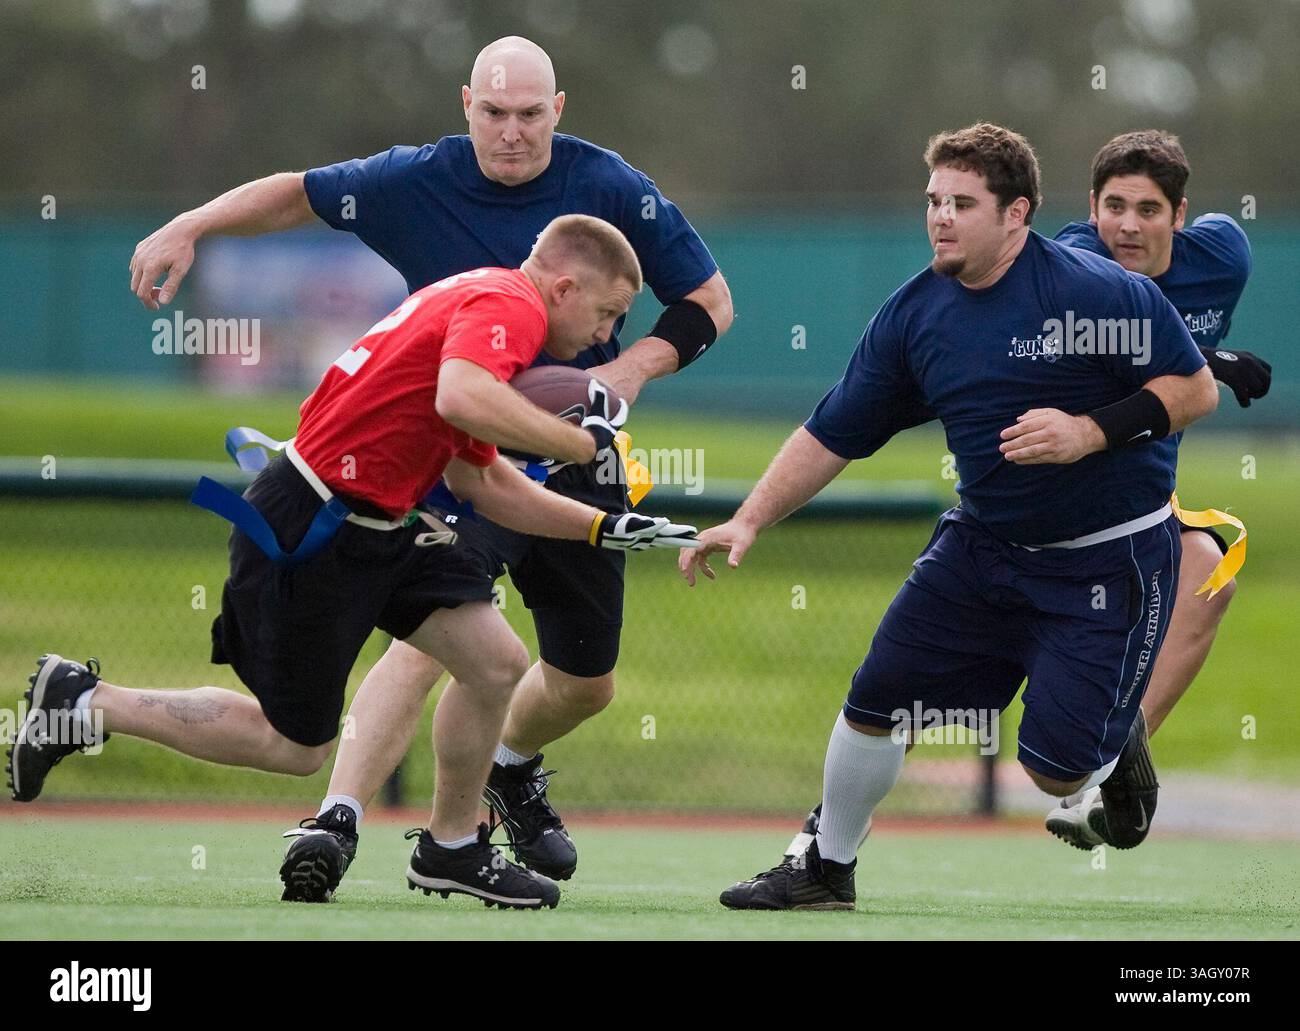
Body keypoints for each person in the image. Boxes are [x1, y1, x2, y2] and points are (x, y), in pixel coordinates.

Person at [124, 35, 732, 901]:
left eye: (530, 114)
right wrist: (192, 224)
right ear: (465, 108)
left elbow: (710, 301)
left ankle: (509, 766)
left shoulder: (609, 188)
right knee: (441, 632)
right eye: (494, 113)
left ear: (559, 112)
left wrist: (619, 379)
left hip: (573, 443)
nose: (512, 132)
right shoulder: (414, 180)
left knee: (587, 682)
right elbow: (296, 195)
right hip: (455, 454)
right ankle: (341, 817)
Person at [8, 214, 699, 911]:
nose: (608, 336)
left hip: (380, 523)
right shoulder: (510, 305)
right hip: (315, 523)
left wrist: (601, 526)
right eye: (608, 312)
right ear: (565, 286)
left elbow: (478, 481)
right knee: (293, 745)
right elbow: (459, 397)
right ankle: (85, 703)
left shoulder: (481, 309)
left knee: (493, 661)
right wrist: (575, 442)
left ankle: (452, 847)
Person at [682, 124, 1218, 911]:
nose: (939, 216)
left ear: (1016, 214)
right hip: (983, 548)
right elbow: (833, 430)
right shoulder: (915, 315)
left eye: (962, 203)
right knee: (877, 700)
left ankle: (1112, 745)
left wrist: (1086, 432)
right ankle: (826, 867)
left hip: (1106, 563)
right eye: (933, 200)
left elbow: (1195, 391)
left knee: (1054, 772)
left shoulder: (1099, 293)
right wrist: (750, 519)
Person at [1041, 129, 1267, 846]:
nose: (1128, 226)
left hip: (1140, 497)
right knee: (936, 678)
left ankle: (1115, 755)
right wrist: (1216, 360)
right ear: (1091, 207)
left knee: (1211, 577)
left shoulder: (1224, 254)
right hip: (1048, 503)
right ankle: (829, 835)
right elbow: (1118, 357)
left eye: (1147, 209)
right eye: (1114, 206)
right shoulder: (1075, 259)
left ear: (1179, 214)